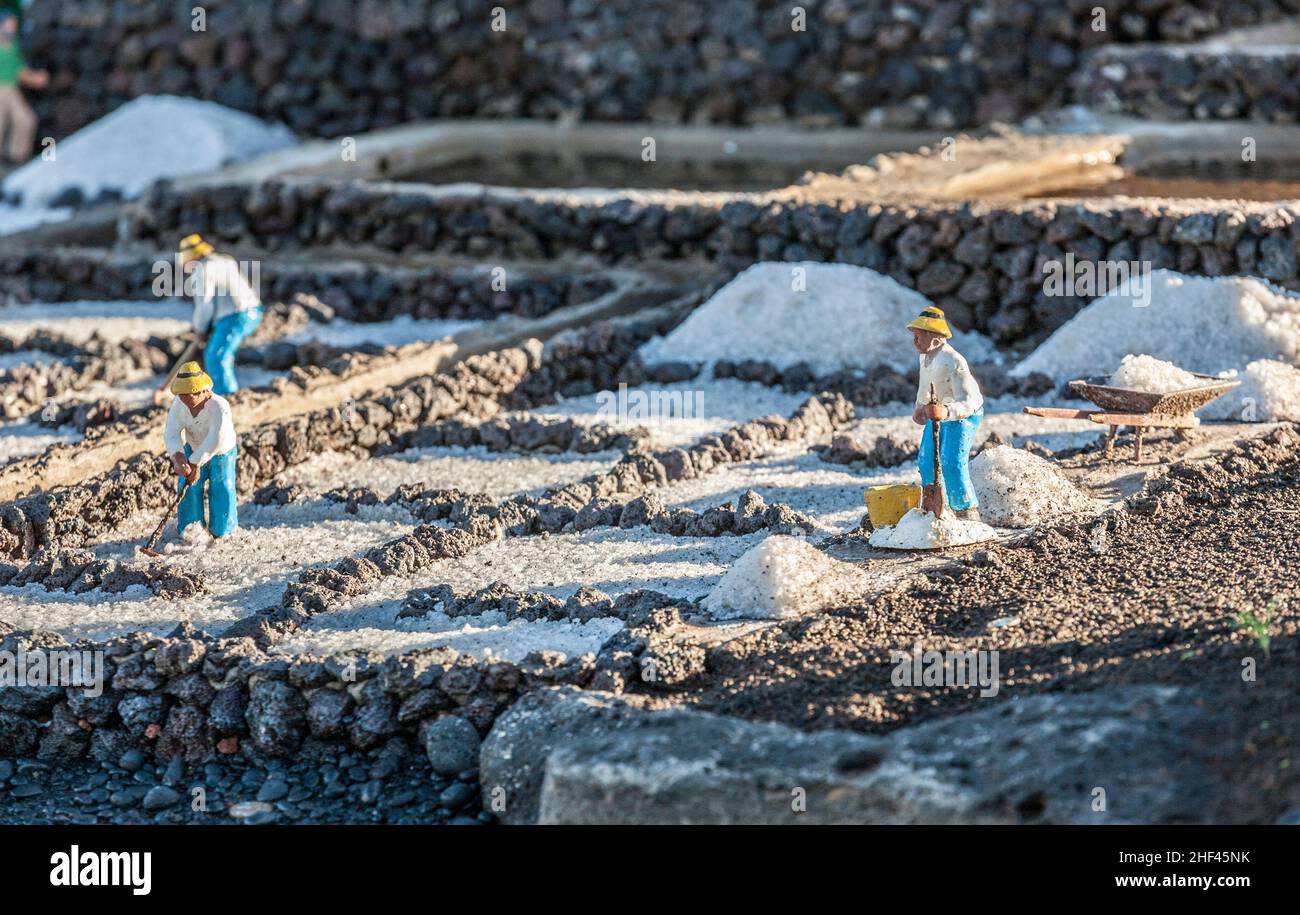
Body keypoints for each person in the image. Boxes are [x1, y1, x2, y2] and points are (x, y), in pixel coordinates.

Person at [907, 305, 985, 521]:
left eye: (918, 336)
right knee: (926, 460)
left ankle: (965, 509)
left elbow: (968, 401)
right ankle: (938, 507)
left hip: (962, 416)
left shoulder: (954, 361)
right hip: (937, 412)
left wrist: (947, 411)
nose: (915, 341)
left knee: (951, 461)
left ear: (934, 338)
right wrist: (920, 406)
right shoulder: (925, 358)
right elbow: (925, 387)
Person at [177, 233, 263, 395]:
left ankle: (228, 398)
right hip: (253, 311)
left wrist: (199, 329)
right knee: (218, 353)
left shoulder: (202, 269)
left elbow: (205, 306)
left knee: (216, 357)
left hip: (235, 316)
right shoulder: (225, 260)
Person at [163, 361, 239, 539]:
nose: (188, 401)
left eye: (194, 394)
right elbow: (172, 431)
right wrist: (178, 456)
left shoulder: (219, 407)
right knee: (187, 485)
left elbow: (217, 438)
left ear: (206, 391)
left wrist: (195, 463)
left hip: (221, 452)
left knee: (221, 485)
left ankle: (223, 529)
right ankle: (190, 528)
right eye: (183, 395)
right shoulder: (179, 404)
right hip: (194, 447)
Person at [0, 10, 49, 164]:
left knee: (25, 119)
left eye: (13, 24)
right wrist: (33, 78)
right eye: (9, 24)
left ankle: (17, 156)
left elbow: (18, 67)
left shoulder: (12, 44)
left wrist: (34, 78)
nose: (12, 27)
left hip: (10, 88)